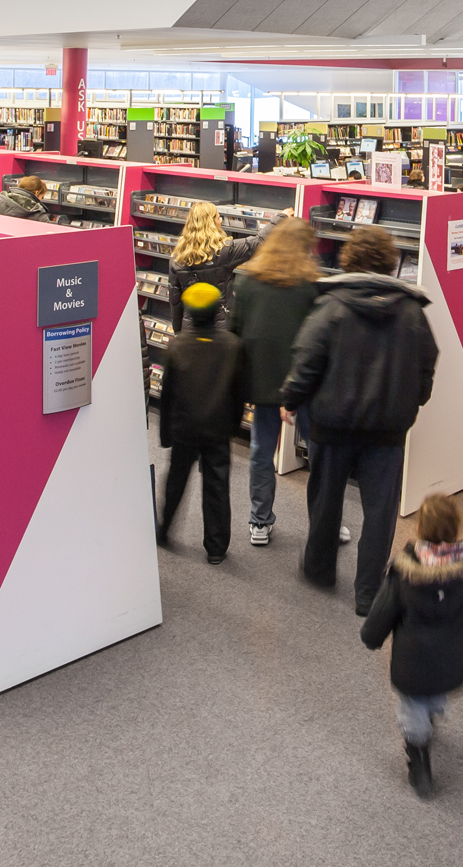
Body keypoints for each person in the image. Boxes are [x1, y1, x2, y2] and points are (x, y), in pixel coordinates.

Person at [280, 226, 438, 615]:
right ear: (389, 262)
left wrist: (291, 399)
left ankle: (319, 569)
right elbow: (426, 367)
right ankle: (367, 593)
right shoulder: (412, 312)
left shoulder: (330, 307)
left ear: (348, 259)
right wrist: (412, 404)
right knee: (380, 513)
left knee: (325, 498)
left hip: (331, 426)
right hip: (388, 430)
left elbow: (307, 359)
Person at [360, 493, 463, 798]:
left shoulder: (404, 574)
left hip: (411, 666)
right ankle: (431, 717)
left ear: (419, 531)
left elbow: (382, 614)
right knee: (432, 698)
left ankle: (420, 763)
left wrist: (371, 637)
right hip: (449, 665)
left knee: (412, 711)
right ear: (456, 529)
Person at [230, 219, 324, 547]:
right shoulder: (312, 286)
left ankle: (259, 520)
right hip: (306, 384)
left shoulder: (247, 281)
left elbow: (235, 333)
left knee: (261, 451)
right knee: (318, 453)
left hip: (263, 382)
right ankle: (325, 521)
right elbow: (317, 341)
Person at [156, 284, 244, 564]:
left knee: (176, 481)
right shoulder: (232, 345)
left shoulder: (177, 345)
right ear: (218, 308)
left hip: (184, 429)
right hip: (218, 429)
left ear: (190, 312)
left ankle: (165, 529)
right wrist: (232, 426)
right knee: (217, 486)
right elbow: (238, 393)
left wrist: (165, 434)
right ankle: (216, 548)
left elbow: (166, 395)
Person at [167, 200, 264, 305]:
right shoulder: (223, 251)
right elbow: (257, 242)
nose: (221, 221)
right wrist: (281, 216)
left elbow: (175, 301)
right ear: (211, 223)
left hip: (192, 318)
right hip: (220, 318)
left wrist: (178, 322)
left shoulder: (177, 257)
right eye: (218, 218)